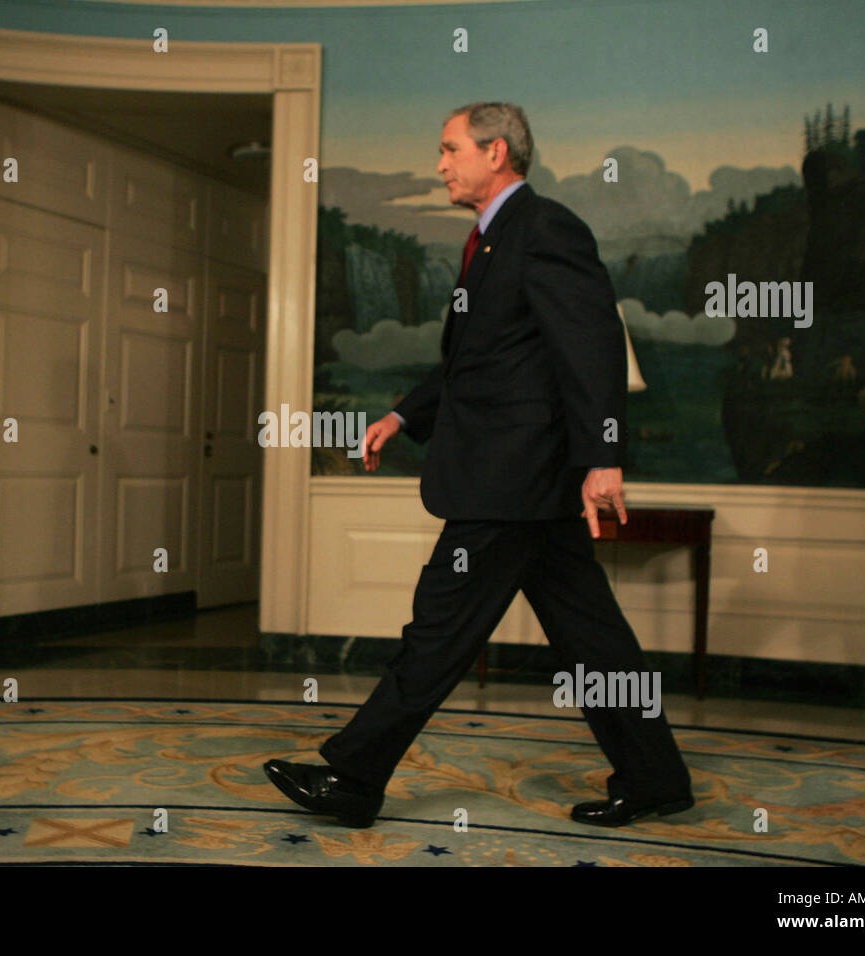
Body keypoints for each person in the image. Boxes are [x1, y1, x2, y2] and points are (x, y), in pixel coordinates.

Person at [264, 102, 694, 829]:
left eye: (449, 148)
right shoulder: (487, 243)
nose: (439, 164)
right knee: (592, 637)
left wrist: (602, 459)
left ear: (497, 152)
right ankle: (655, 778)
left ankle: (355, 776)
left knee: (438, 629)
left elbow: (591, 348)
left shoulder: (545, 228)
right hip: (519, 486)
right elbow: (473, 365)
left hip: (512, 480)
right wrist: (402, 417)